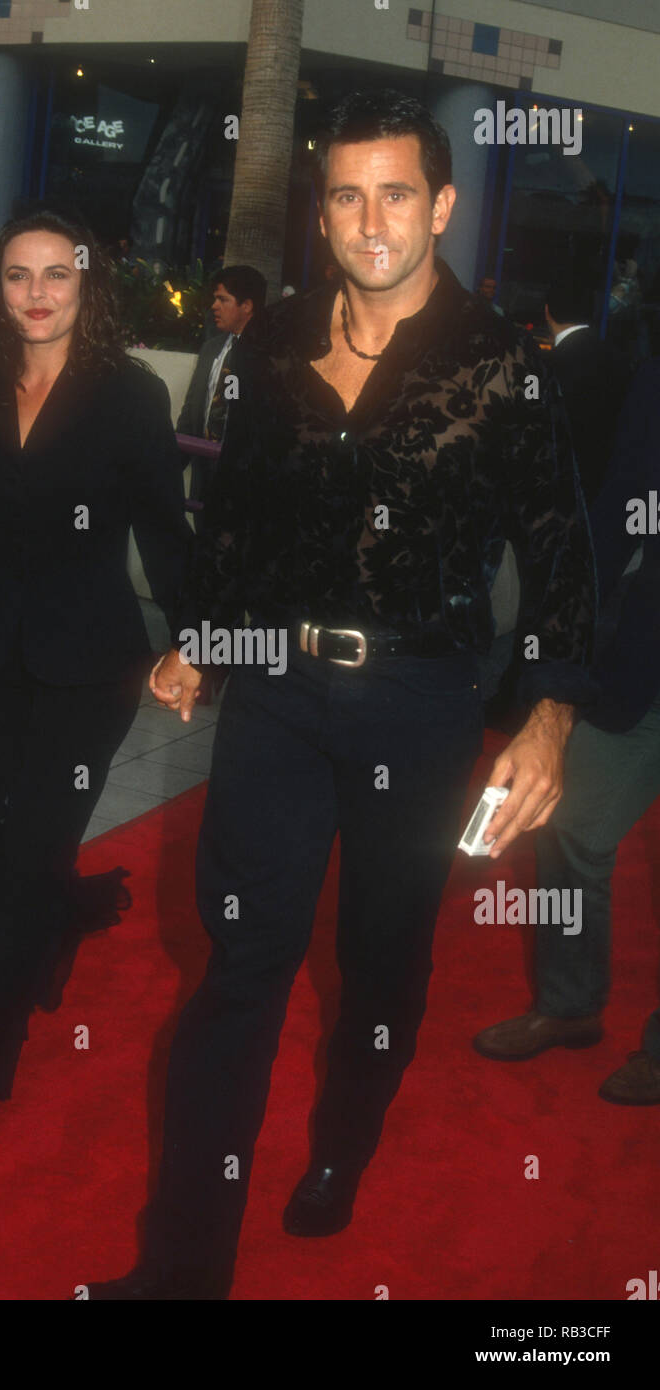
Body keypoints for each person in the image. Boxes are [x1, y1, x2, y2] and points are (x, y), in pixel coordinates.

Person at [85, 88, 597, 1300]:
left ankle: (344, 1149)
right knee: (241, 965)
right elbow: (242, 514)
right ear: (323, 211)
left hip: (418, 706)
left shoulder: (502, 368)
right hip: (274, 689)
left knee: (381, 968)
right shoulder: (274, 342)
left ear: (445, 204)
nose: (374, 219)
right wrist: (201, 637)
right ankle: (181, 1267)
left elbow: (566, 549)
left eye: (399, 192)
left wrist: (549, 713)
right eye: (349, 194)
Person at [0, 209, 192, 1120]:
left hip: (94, 662)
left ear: (86, 284)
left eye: (57, 275)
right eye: (19, 276)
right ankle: (46, 918)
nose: (38, 294)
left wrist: (192, 641)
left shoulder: (128, 394)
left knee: (27, 851)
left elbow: (167, 537)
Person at [473, 358, 660, 1102]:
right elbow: (620, 504)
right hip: (644, 657)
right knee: (573, 829)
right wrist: (560, 646)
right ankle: (568, 1005)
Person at [176, 266, 267, 530]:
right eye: (215, 299)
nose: (214, 306)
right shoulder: (211, 349)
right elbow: (191, 412)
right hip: (204, 483)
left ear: (247, 305)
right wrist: (168, 470)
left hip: (245, 489)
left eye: (223, 299)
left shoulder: (270, 356)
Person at [544, 279, 630, 506]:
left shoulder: (542, 366)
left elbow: (531, 416)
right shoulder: (619, 359)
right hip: (603, 480)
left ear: (547, 312)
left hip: (553, 482)